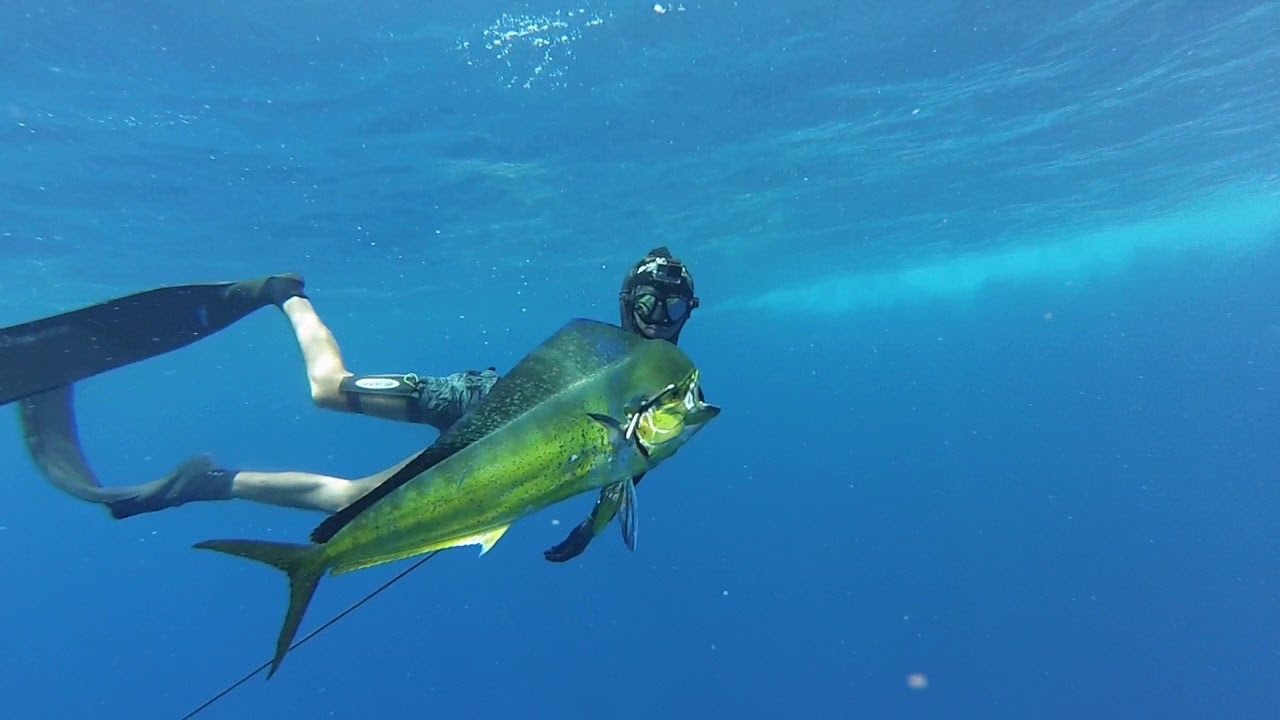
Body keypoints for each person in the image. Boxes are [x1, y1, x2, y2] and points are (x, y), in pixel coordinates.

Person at [12, 248, 700, 563]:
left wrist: (590, 531)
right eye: (646, 299)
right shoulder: (642, 370)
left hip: (504, 457)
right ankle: (284, 295)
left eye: (668, 305)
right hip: (475, 401)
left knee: (349, 503)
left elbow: (624, 471)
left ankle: (208, 485)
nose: (655, 314)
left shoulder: (670, 397)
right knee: (328, 390)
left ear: (685, 313)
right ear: (624, 301)